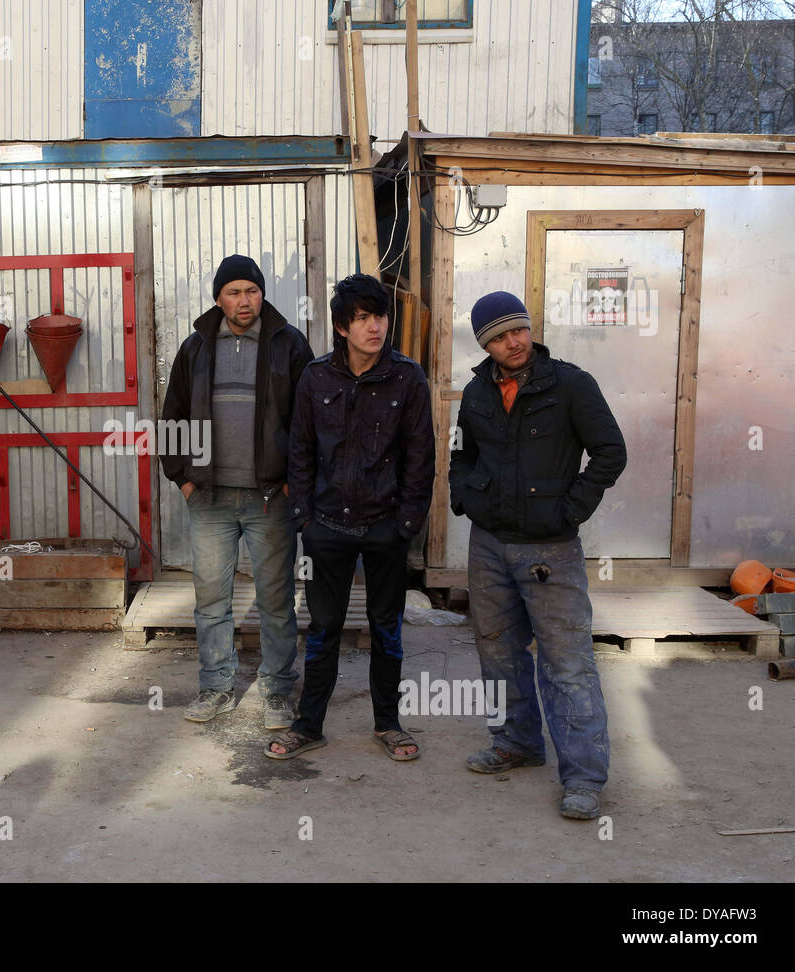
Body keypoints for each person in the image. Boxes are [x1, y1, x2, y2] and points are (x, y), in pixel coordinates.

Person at [449, 291, 626, 819]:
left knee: (567, 662)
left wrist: (569, 510)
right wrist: (466, 497)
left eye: (519, 330)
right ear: (486, 344)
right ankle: (516, 743)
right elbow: (463, 452)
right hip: (489, 546)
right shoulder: (477, 392)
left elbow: (610, 451)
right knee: (497, 651)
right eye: (500, 336)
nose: (514, 342)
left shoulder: (570, 384)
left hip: (551, 548)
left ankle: (585, 778)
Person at [267, 274, 434, 760]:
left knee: (387, 628)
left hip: (386, 527)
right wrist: (305, 519)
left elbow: (420, 458)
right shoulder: (317, 377)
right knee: (323, 627)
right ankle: (309, 724)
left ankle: (388, 723)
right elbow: (298, 449)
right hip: (327, 529)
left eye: (379, 316)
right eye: (362, 318)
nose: (374, 327)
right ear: (343, 326)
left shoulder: (408, 378)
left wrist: (406, 525)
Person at [160, 254, 313, 728]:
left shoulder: (289, 344)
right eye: (233, 292)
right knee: (210, 600)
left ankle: (277, 693)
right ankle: (216, 687)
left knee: (275, 600)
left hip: (270, 498)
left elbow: (310, 419)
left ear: (261, 294)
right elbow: (173, 418)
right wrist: (182, 478)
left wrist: (294, 480)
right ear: (218, 298)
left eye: (251, 290)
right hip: (209, 500)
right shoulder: (196, 347)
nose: (243, 301)